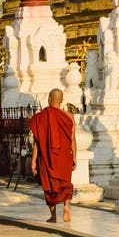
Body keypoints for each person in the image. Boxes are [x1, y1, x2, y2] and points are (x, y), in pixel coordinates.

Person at [30, 88, 77, 223]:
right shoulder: (69, 116)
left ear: (49, 99)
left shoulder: (40, 117)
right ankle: (66, 207)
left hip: (47, 158)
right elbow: (72, 139)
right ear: (61, 100)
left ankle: (53, 215)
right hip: (65, 157)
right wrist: (74, 157)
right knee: (65, 183)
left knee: (49, 186)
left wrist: (33, 161)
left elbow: (37, 142)